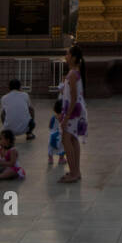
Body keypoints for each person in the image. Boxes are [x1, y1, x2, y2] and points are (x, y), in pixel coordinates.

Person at [57, 45, 87, 183]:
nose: (66, 56)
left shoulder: (73, 74)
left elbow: (73, 97)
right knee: (73, 139)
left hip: (72, 111)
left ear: (74, 57)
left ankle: (74, 172)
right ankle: (76, 171)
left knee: (66, 139)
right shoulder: (73, 73)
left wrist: (66, 116)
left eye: (67, 54)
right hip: (75, 110)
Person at [48, 99, 66, 166]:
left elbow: (50, 126)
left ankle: (50, 159)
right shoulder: (64, 117)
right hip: (60, 135)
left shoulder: (53, 117)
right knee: (61, 147)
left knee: (50, 147)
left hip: (52, 135)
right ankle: (61, 159)